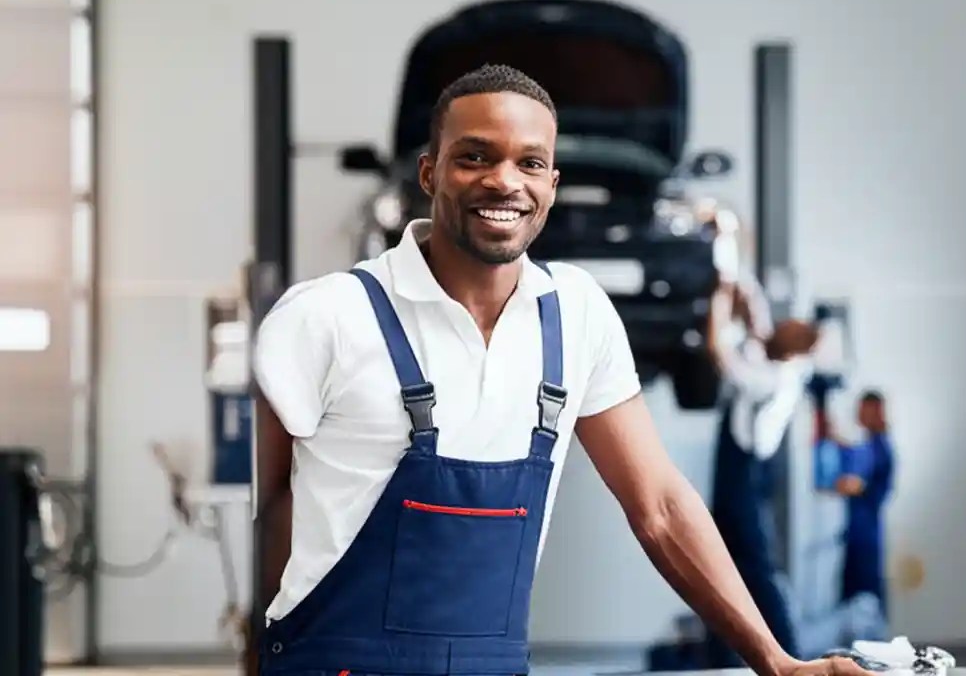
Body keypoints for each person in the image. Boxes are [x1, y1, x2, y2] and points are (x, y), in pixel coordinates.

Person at [250, 64, 867, 676]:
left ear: (551, 183)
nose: (504, 181)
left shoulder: (576, 315)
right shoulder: (325, 316)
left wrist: (775, 662)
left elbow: (660, 504)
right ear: (429, 171)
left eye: (530, 163)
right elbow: (274, 508)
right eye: (475, 157)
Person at [703, 275, 821, 667]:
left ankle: (788, 650)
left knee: (754, 566)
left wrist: (720, 300)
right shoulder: (779, 362)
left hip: (745, 480)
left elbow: (718, 351)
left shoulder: (771, 379)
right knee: (722, 563)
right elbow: (760, 326)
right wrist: (742, 282)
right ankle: (723, 653)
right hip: (742, 476)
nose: (774, 331)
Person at [834, 390, 895, 620]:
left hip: (866, 531)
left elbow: (870, 486)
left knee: (865, 590)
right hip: (856, 530)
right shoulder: (868, 444)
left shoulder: (880, 446)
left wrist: (853, 486)